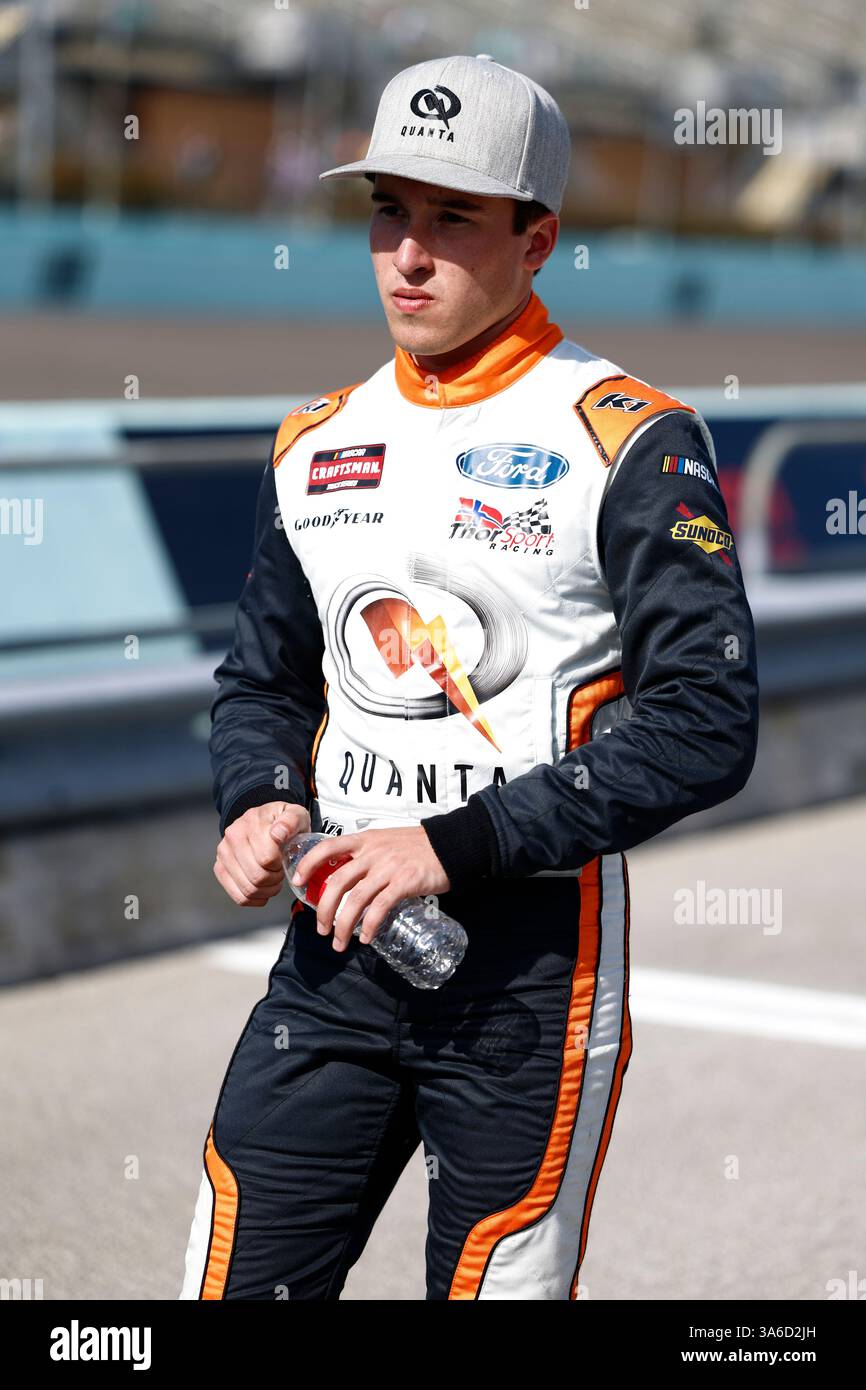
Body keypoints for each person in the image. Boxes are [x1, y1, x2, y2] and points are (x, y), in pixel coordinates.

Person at [179, 54, 759, 1301]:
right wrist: (261, 794)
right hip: (329, 956)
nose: (407, 255)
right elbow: (263, 680)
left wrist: (453, 841)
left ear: (536, 237)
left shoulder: (629, 434)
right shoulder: (315, 438)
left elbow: (706, 718)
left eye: (453, 218)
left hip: (530, 971)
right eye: (387, 209)